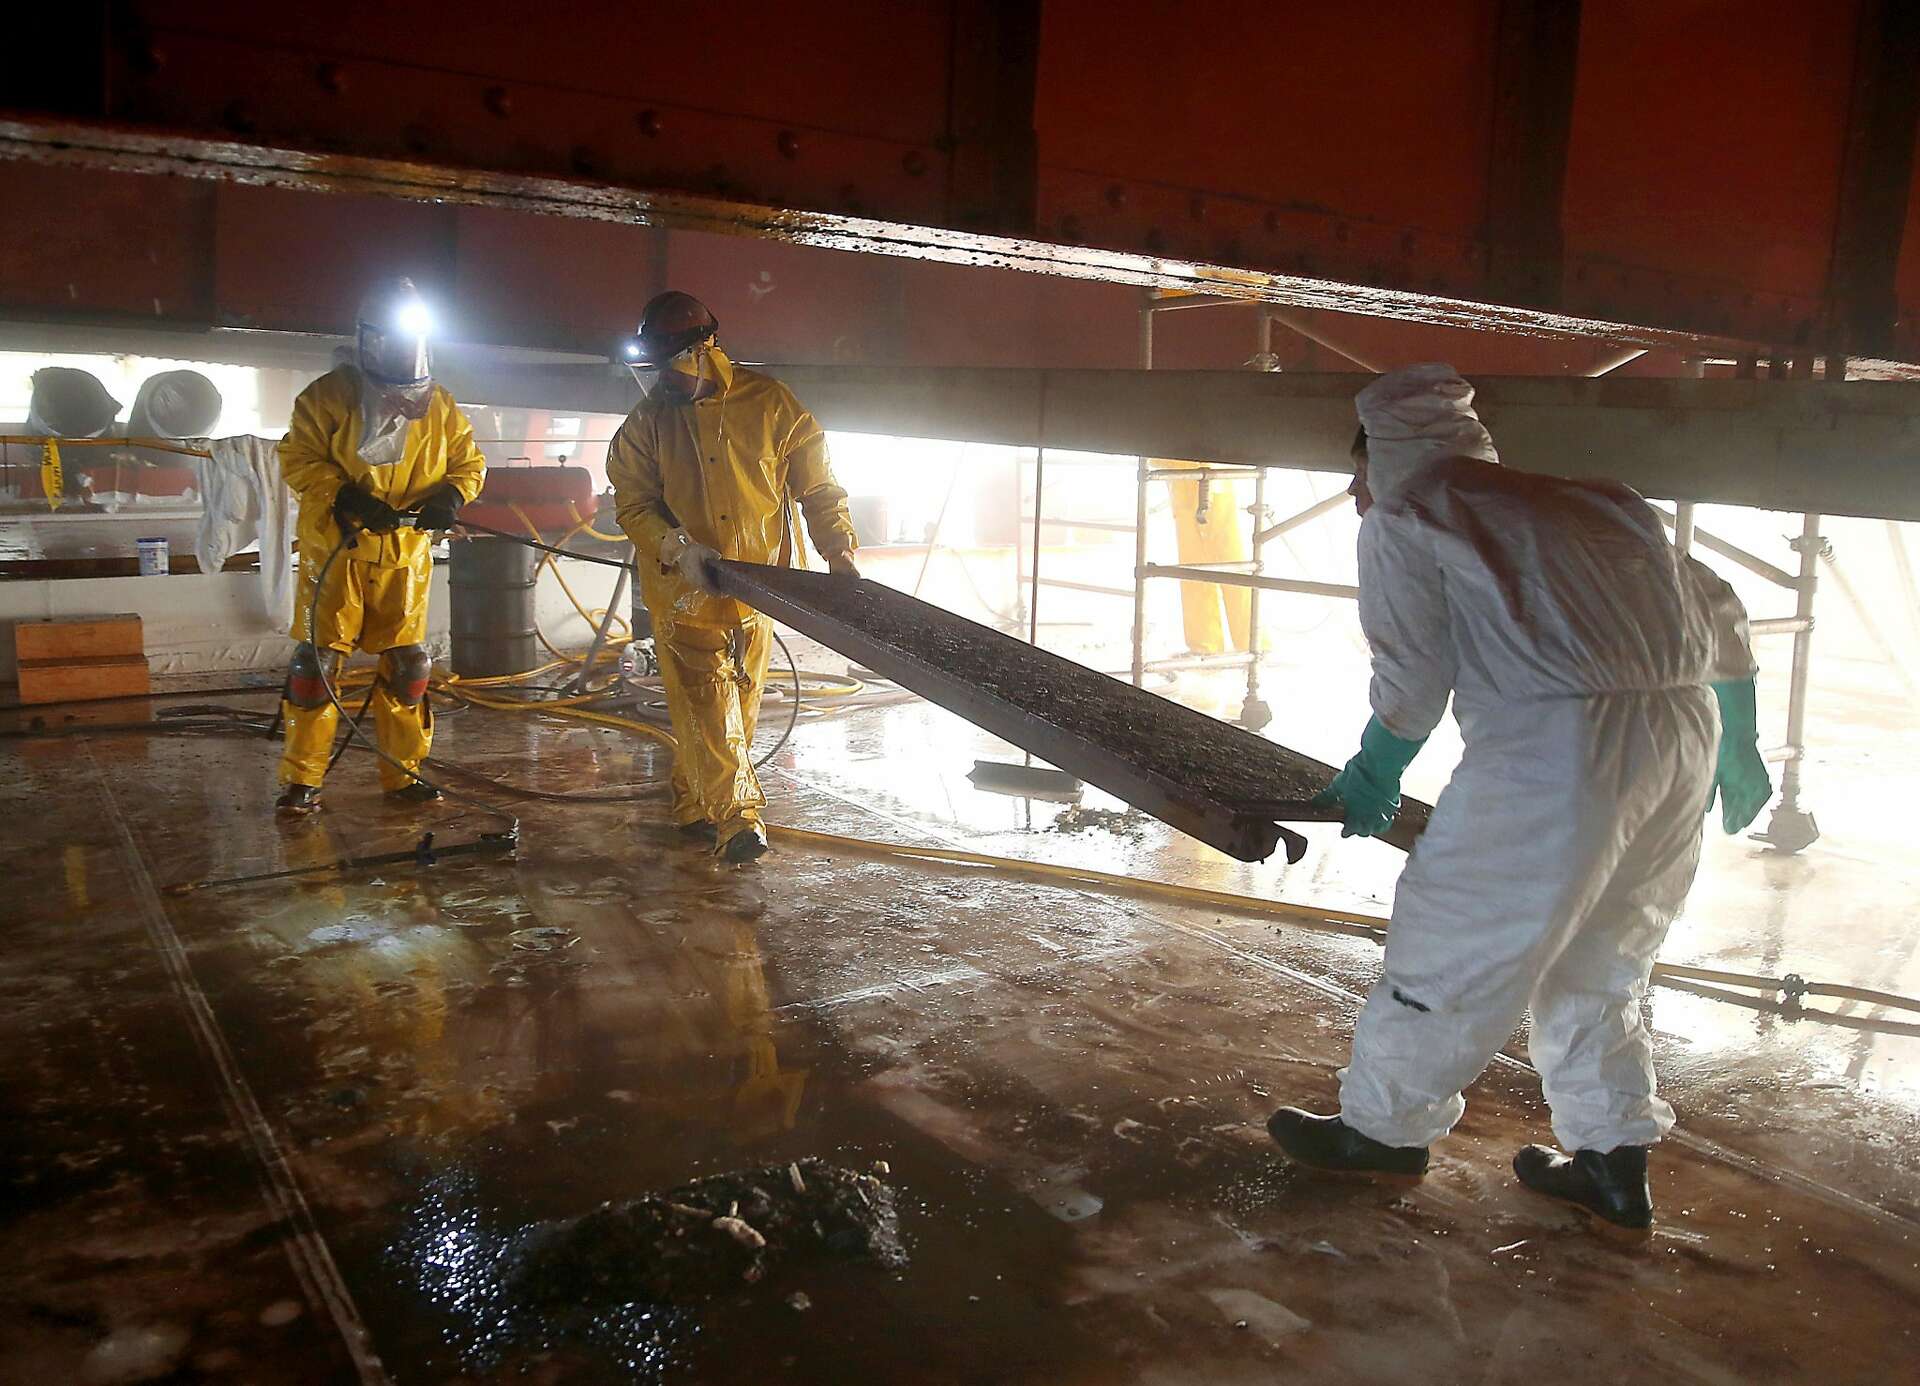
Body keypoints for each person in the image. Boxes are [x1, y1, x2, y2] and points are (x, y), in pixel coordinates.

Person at [1266, 363, 1771, 1232]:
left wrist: (1376, 766)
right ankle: (1613, 1161)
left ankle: (1382, 1131)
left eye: (1358, 474)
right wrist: (1741, 735)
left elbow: (1413, 675)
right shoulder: (1595, 501)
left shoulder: (1409, 513)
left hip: (1556, 750)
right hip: (1682, 733)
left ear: (1383, 457)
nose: (1355, 494)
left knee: (1455, 937)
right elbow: (1719, 606)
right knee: (1606, 953)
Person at [606, 291, 859, 865]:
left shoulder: (770, 405)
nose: (664, 382)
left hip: (760, 590)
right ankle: (738, 819)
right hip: (685, 592)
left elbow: (818, 487)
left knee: (735, 708)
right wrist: (679, 549)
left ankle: (693, 804)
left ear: (703, 350)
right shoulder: (647, 424)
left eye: (670, 368)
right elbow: (634, 506)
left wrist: (838, 549)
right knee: (710, 707)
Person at [275, 277, 486, 813]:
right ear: (368, 340)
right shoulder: (327, 397)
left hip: (404, 558)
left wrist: (451, 497)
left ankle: (403, 774)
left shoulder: (439, 406)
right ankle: (303, 779)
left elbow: (468, 464)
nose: (404, 353)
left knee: (410, 666)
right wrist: (345, 495)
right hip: (337, 554)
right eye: (394, 340)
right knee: (315, 665)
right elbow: (297, 459)